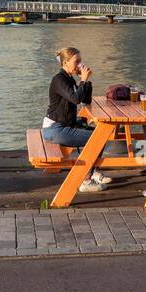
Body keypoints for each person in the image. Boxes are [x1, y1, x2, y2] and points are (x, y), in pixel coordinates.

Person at [42, 46, 117, 193]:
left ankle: (93, 171)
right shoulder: (59, 80)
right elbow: (76, 99)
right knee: (98, 138)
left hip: (64, 125)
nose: (80, 64)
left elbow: (86, 100)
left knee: (100, 134)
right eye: (77, 61)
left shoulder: (69, 79)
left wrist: (87, 82)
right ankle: (86, 180)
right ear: (65, 63)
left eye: (80, 61)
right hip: (55, 128)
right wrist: (82, 79)